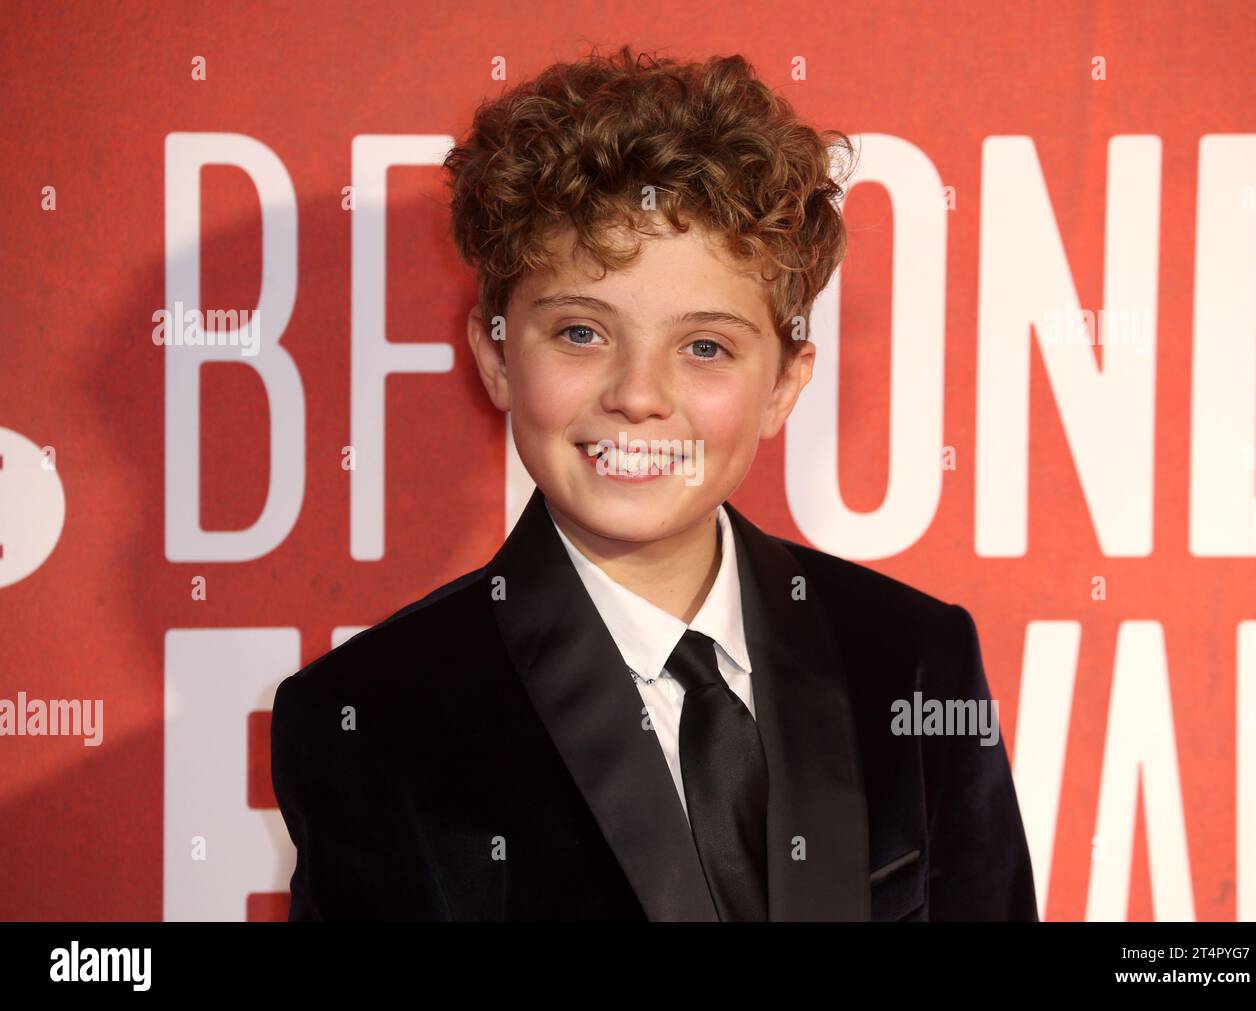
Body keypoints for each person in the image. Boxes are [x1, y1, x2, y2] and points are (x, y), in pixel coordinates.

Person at [270, 44, 1038, 922]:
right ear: (495, 357)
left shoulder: (915, 658)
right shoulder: (373, 720)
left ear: (784, 385)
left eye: (704, 346)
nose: (638, 396)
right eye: (580, 334)